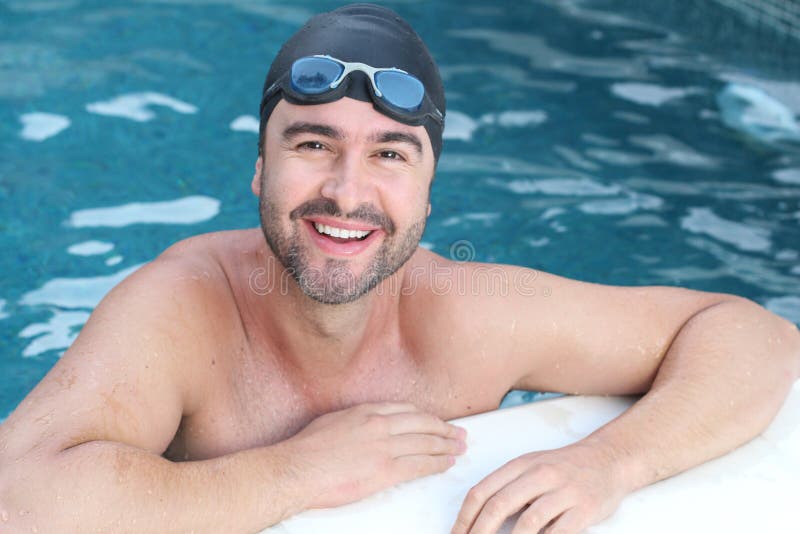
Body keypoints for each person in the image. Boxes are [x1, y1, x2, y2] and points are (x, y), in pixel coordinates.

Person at [1, 3, 798, 533]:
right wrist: (291, 474)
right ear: (257, 170)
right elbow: (18, 494)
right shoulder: (178, 311)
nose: (348, 193)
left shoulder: (472, 313)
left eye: (390, 154)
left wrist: (608, 463)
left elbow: (750, 334)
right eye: (313, 144)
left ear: (427, 195)